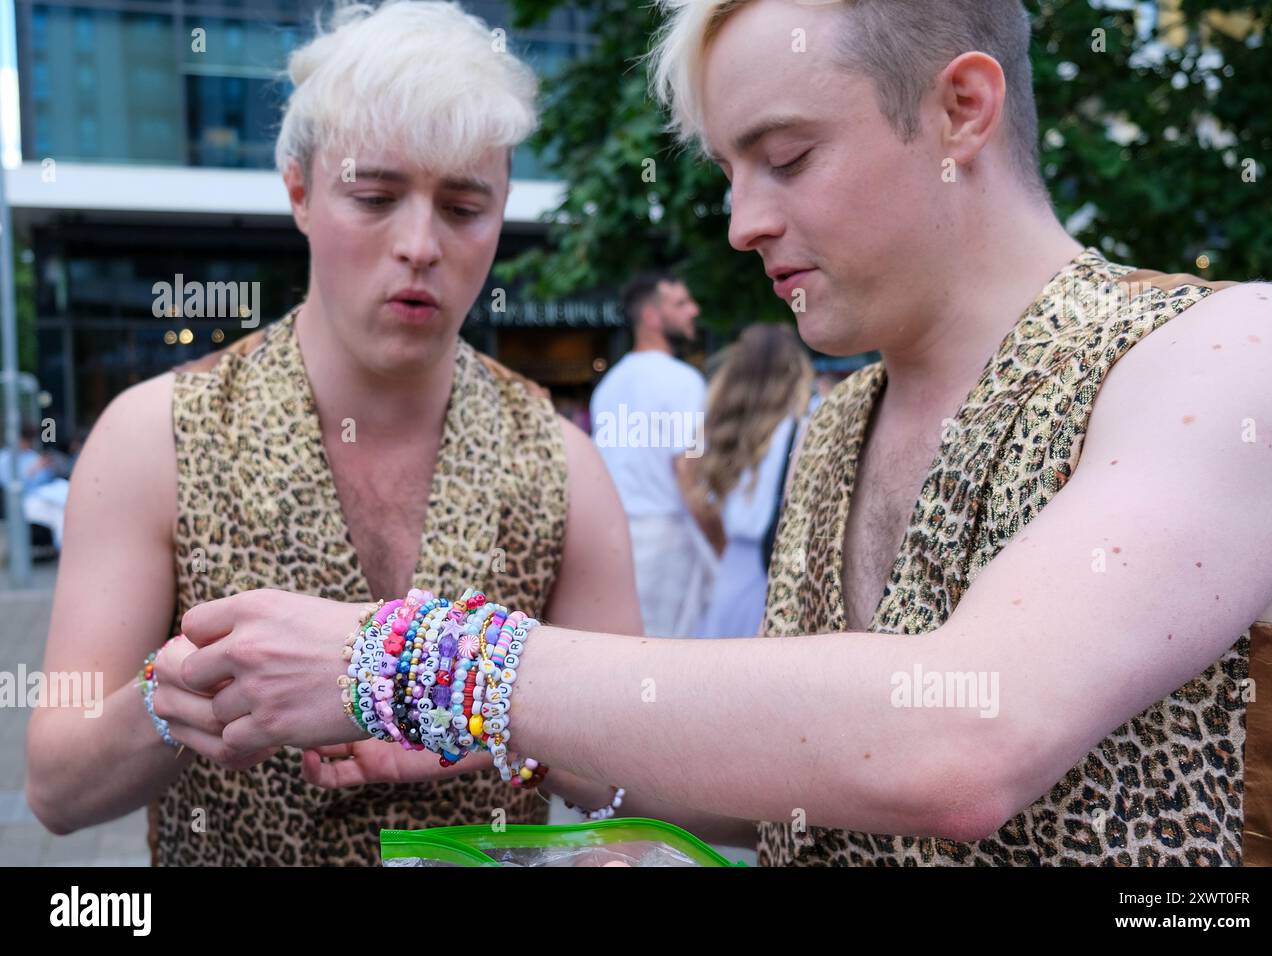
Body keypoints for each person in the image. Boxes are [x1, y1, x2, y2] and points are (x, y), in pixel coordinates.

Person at [163, 0, 1272, 866]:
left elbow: (961, 737)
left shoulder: (1237, 351)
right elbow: (791, 783)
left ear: (961, 109)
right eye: (727, 169)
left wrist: (413, 659)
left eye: (787, 156)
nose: (743, 221)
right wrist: (524, 743)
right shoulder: (837, 419)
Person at [25, 0, 757, 865]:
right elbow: (58, 787)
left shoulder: (561, 463)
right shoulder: (156, 437)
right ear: (297, 188)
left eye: (463, 207)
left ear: (503, 209)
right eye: (374, 196)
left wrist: (526, 749)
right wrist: (174, 698)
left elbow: (627, 780)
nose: (419, 244)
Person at [589, 272, 719, 636]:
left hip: (612, 539)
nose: (693, 310)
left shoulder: (609, 385)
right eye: (680, 303)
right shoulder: (683, 381)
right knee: (667, 657)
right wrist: (722, 544)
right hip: (666, 542)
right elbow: (689, 472)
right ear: (651, 317)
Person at [688, 323, 811, 638]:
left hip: (731, 576)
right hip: (773, 578)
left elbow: (699, 503)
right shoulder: (802, 432)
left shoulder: (724, 430)